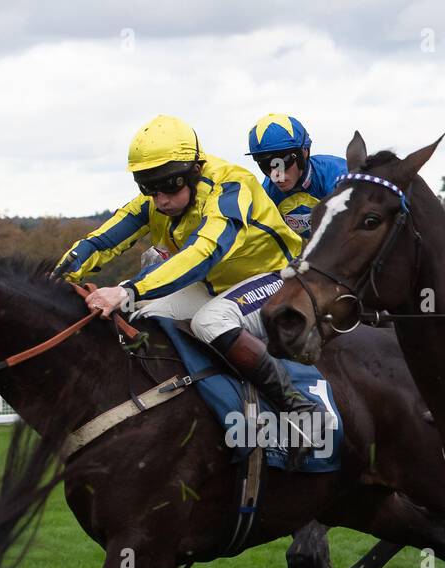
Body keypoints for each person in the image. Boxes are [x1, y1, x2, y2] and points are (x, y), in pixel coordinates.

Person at [53, 115, 327, 459]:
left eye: (169, 186)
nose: (160, 200)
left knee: (209, 321)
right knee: (136, 312)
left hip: (278, 279)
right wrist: (59, 277)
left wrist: (129, 288)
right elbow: (101, 241)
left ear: (194, 170)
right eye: (149, 188)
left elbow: (205, 252)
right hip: (215, 285)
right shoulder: (157, 199)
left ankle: (300, 409)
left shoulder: (232, 186)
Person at [245, 113, 347, 239]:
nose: (275, 174)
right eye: (265, 164)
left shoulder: (339, 176)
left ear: (304, 152)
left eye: (281, 162)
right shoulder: (268, 193)